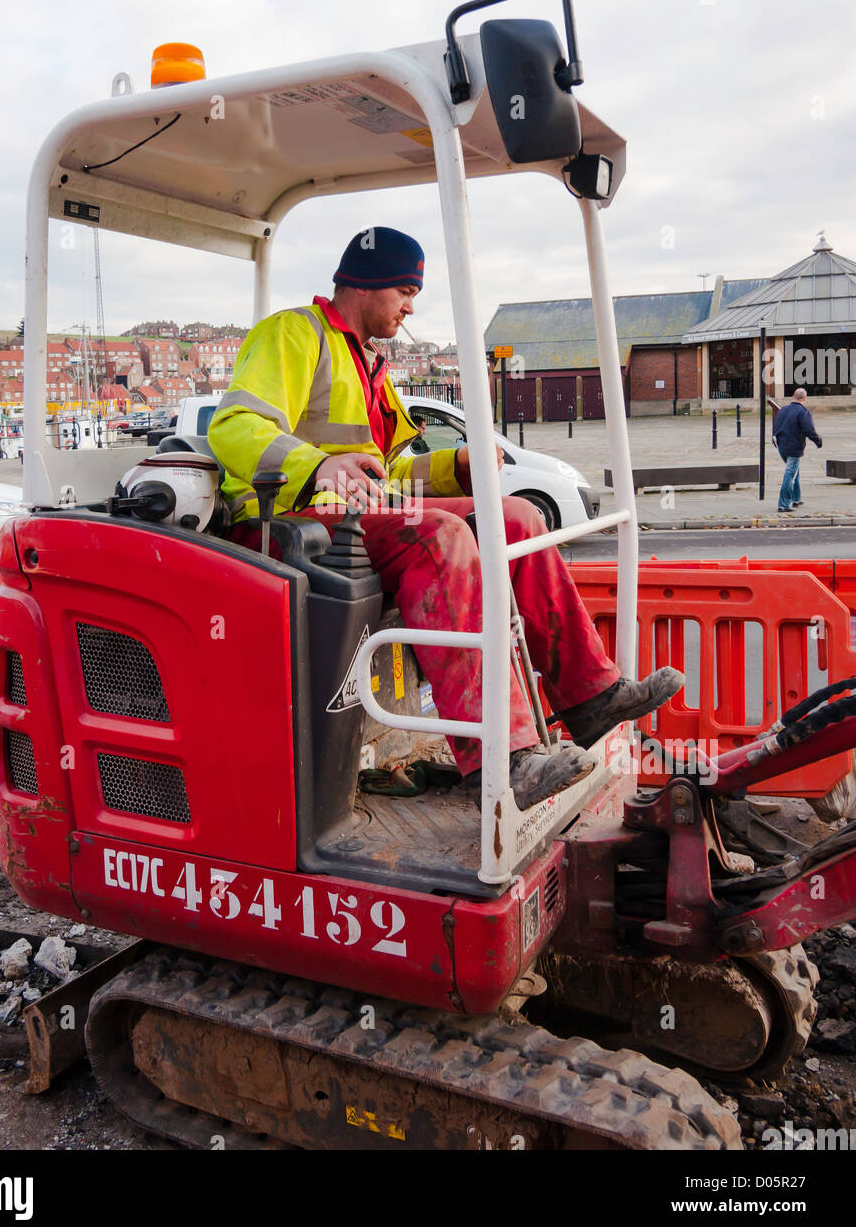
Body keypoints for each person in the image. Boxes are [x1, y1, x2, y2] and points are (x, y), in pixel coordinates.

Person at [208, 227, 683, 809]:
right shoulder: (294, 335)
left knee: (516, 517)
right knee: (442, 535)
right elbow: (232, 426)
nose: (410, 307)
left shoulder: (370, 366)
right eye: (405, 290)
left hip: (350, 518)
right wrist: (318, 468)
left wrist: (456, 465)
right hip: (283, 526)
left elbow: (390, 477)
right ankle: (503, 762)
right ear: (368, 284)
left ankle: (589, 699)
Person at [773, 387, 822, 514]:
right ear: (804, 399)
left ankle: (796, 498)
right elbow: (809, 430)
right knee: (790, 475)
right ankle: (784, 504)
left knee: (795, 471)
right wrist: (818, 441)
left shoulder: (783, 410)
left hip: (782, 446)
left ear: (793, 397)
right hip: (794, 447)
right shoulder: (803, 412)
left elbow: (775, 425)